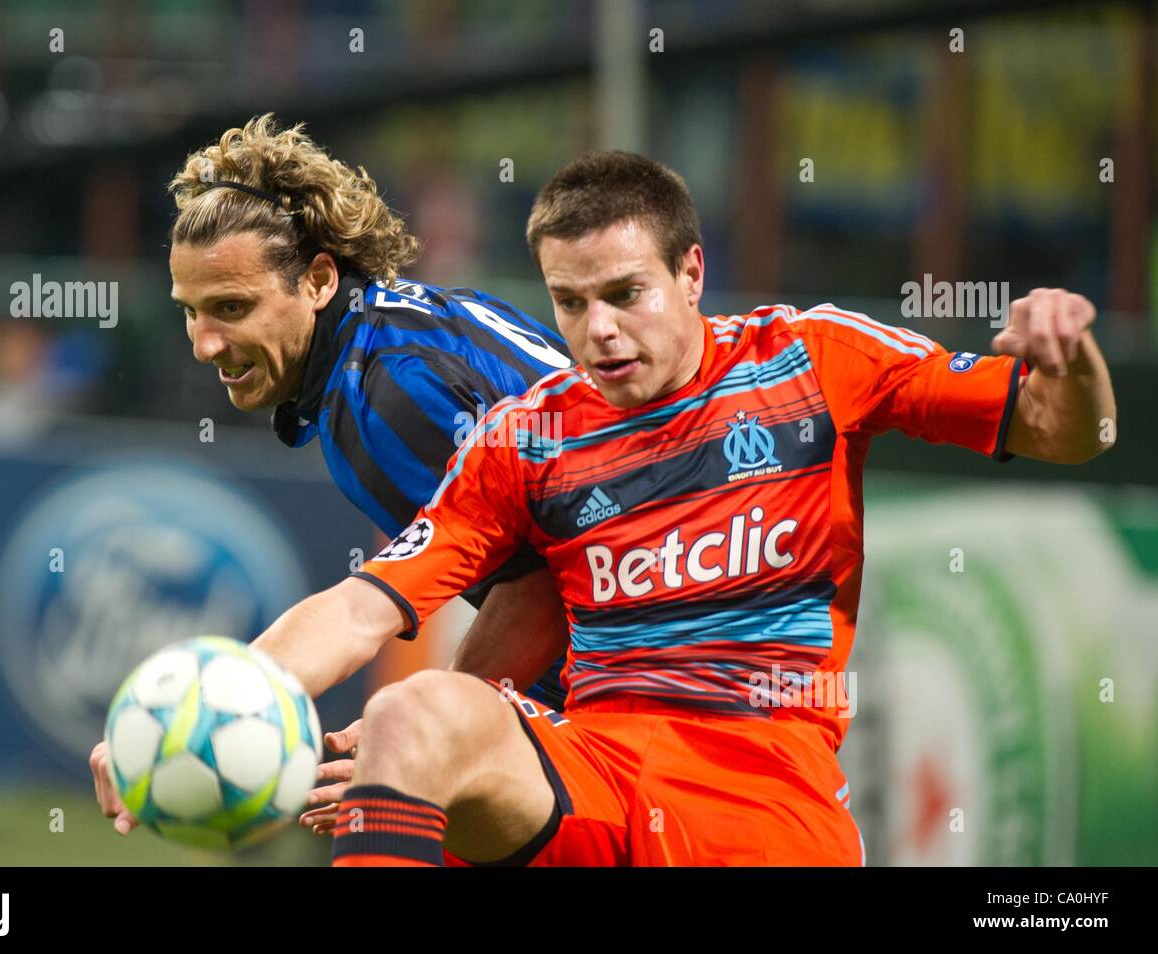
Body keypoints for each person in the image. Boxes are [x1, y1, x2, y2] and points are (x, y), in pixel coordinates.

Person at [95, 149, 1116, 865]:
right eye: (569, 301)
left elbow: (1060, 430)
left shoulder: (813, 359)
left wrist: (1070, 360)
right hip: (594, 764)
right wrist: (189, 708)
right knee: (412, 712)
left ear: (691, 272)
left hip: (763, 798)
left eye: (625, 293)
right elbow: (364, 608)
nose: (598, 328)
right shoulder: (524, 435)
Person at [89, 114, 577, 836]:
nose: (204, 344)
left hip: (683, 688)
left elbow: (543, 587)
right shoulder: (398, 333)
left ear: (318, 279)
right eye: (190, 313)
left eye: (232, 308)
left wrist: (435, 735)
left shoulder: (390, 392)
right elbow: (368, 603)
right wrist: (193, 712)